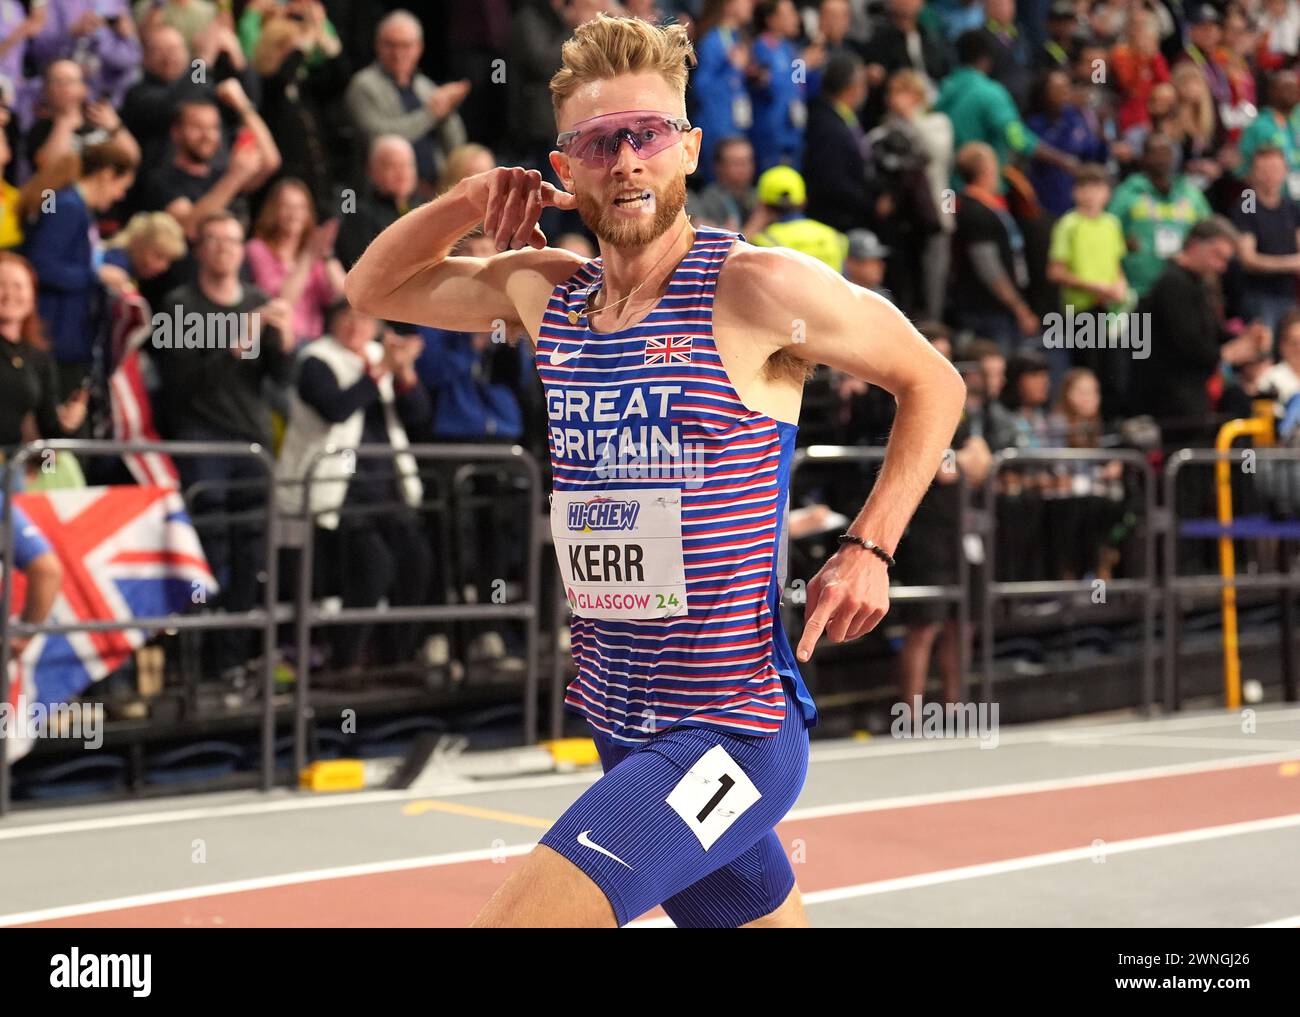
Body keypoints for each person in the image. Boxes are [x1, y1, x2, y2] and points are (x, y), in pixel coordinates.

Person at [347, 11, 964, 930]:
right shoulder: (545, 291)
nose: (626, 159)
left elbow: (934, 379)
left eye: (648, 134)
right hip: (616, 717)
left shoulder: (757, 288)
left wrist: (869, 545)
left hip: (730, 731)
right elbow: (372, 290)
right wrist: (472, 201)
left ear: (688, 149)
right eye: (600, 141)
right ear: (565, 169)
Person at [277, 300, 431, 673]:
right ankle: (344, 660)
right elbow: (337, 408)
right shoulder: (315, 360)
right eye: (345, 319)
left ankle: (396, 658)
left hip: (388, 487)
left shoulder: (383, 356)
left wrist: (405, 371)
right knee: (373, 567)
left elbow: (419, 415)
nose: (354, 326)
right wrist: (380, 371)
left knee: (418, 563)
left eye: (363, 319)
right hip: (337, 491)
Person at [20, 140, 138, 396]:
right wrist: (95, 276)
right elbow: (40, 265)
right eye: (122, 186)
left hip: (65, 336)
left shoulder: (76, 207)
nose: (121, 195)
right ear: (107, 174)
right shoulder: (67, 206)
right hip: (55, 338)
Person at [344, 9, 470, 193]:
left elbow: (457, 145)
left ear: (419, 48)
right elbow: (379, 137)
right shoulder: (363, 86)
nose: (398, 53)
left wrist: (448, 111)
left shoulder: (425, 87)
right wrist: (431, 114)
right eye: (391, 45)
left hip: (435, 187)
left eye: (406, 46)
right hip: (388, 194)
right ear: (378, 45)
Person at [0, 251, 86, 453]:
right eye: (1, 285)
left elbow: (49, 429)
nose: (9, 294)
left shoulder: (38, 357)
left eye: (18, 286)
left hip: (12, 467)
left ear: (32, 296)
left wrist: (67, 422)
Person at [245, 178, 345, 345]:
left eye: (300, 207)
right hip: (278, 341)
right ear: (273, 211)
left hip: (315, 342)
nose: (294, 214)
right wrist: (307, 258)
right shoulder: (257, 249)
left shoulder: (314, 254)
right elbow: (281, 302)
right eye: (287, 206)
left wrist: (327, 254)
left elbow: (342, 296)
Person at [1230, 145, 1300, 337]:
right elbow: (1248, 259)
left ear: (1285, 171)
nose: (1270, 176)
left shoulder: (1290, 206)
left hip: (1287, 294)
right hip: (1258, 295)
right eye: (1264, 170)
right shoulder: (1248, 200)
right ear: (1254, 172)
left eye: (1275, 169)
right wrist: (1291, 263)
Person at [747, 164, 849, 270]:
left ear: (762, 205)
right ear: (803, 202)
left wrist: (751, 227)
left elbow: (734, 260)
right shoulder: (834, 237)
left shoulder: (762, 243)